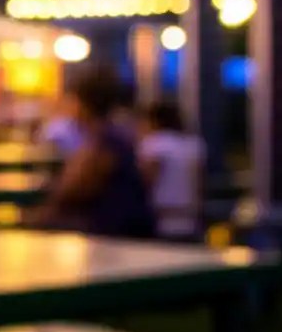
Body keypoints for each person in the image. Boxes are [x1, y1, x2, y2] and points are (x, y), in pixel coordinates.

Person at [30, 66, 155, 238]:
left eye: (71, 100)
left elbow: (69, 191)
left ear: (82, 104)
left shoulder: (103, 144)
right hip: (118, 230)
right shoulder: (113, 136)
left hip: (112, 235)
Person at [139, 101, 205, 241]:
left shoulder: (154, 144)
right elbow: (198, 183)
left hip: (162, 218)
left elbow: (146, 181)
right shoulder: (193, 145)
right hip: (189, 218)